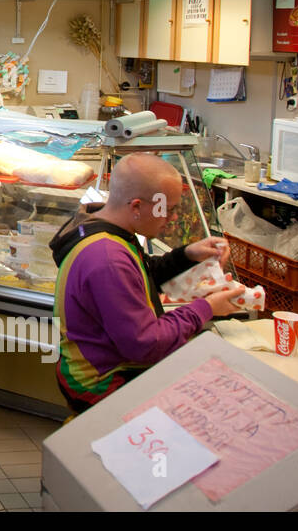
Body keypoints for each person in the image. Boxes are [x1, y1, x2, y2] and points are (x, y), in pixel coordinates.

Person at [50, 152, 245, 413]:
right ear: (136, 207)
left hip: (107, 362)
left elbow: (142, 272)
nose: (173, 218)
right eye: (168, 209)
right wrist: (206, 308)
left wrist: (187, 255)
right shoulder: (107, 258)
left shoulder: (107, 232)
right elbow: (145, 344)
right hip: (103, 382)